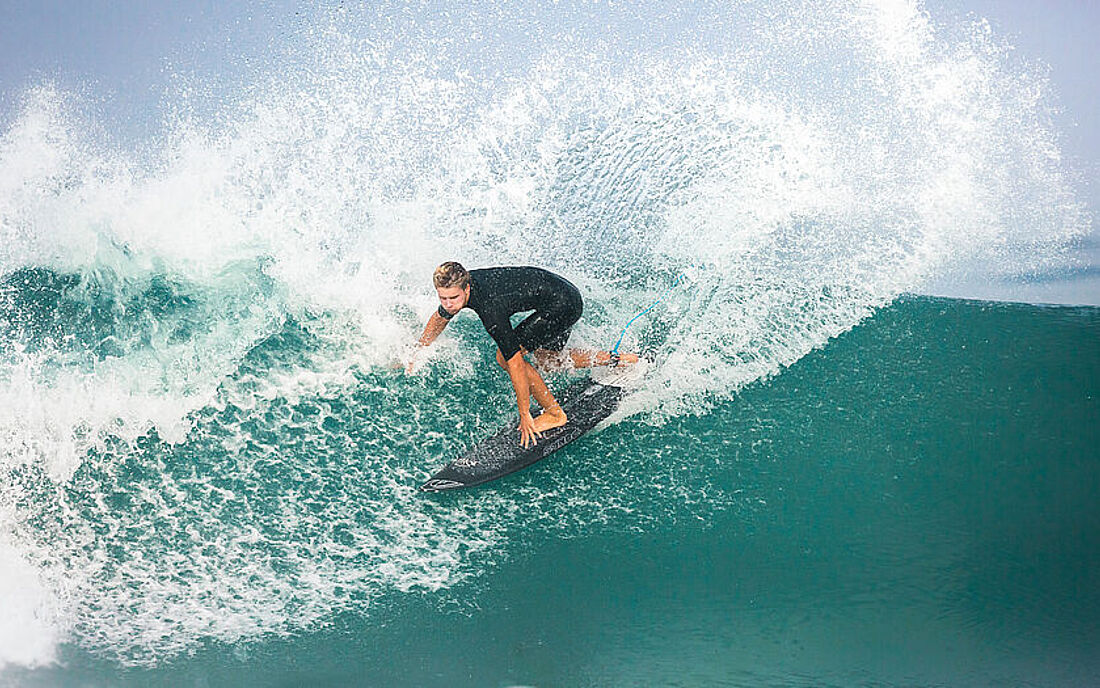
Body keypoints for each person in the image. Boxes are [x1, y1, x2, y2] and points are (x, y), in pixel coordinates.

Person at [410, 262, 637, 448]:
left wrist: (525, 413)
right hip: (563, 292)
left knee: (504, 357)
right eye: (443, 298)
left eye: (454, 298)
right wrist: (420, 349)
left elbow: (516, 364)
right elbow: (440, 317)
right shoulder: (464, 283)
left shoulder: (490, 308)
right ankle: (619, 360)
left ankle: (555, 414)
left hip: (563, 305)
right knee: (547, 361)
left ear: (467, 289)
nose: (449, 304)